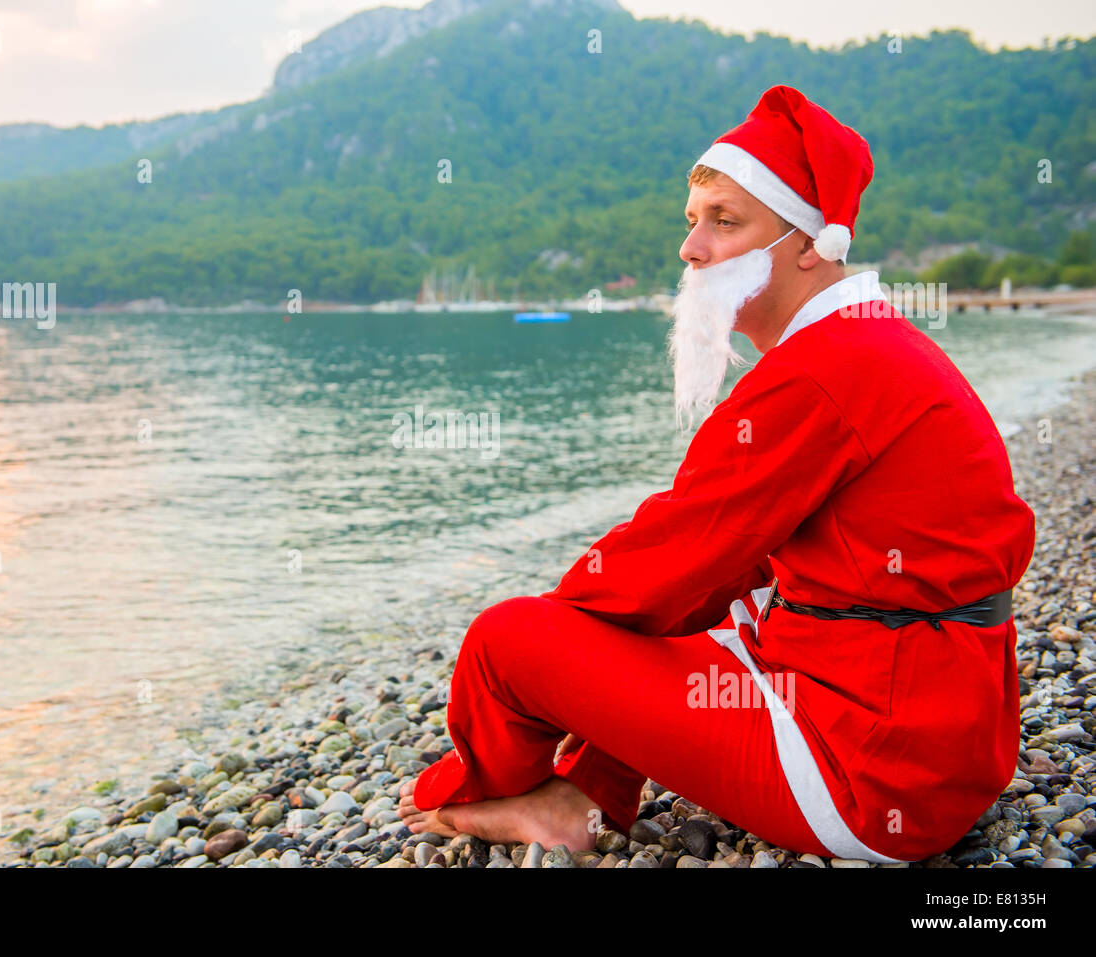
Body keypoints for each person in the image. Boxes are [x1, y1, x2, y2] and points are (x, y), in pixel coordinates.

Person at [396, 85, 1036, 863]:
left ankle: (497, 791)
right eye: (693, 221)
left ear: (810, 243)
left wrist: (557, 655)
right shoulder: (867, 341)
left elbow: (672, 557)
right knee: (717, 602)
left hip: (874, 776)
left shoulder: (824, 370)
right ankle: (581, 795)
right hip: (940, 745)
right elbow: (715, 566)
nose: (690, 249)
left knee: (509, 638)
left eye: (724, 222)